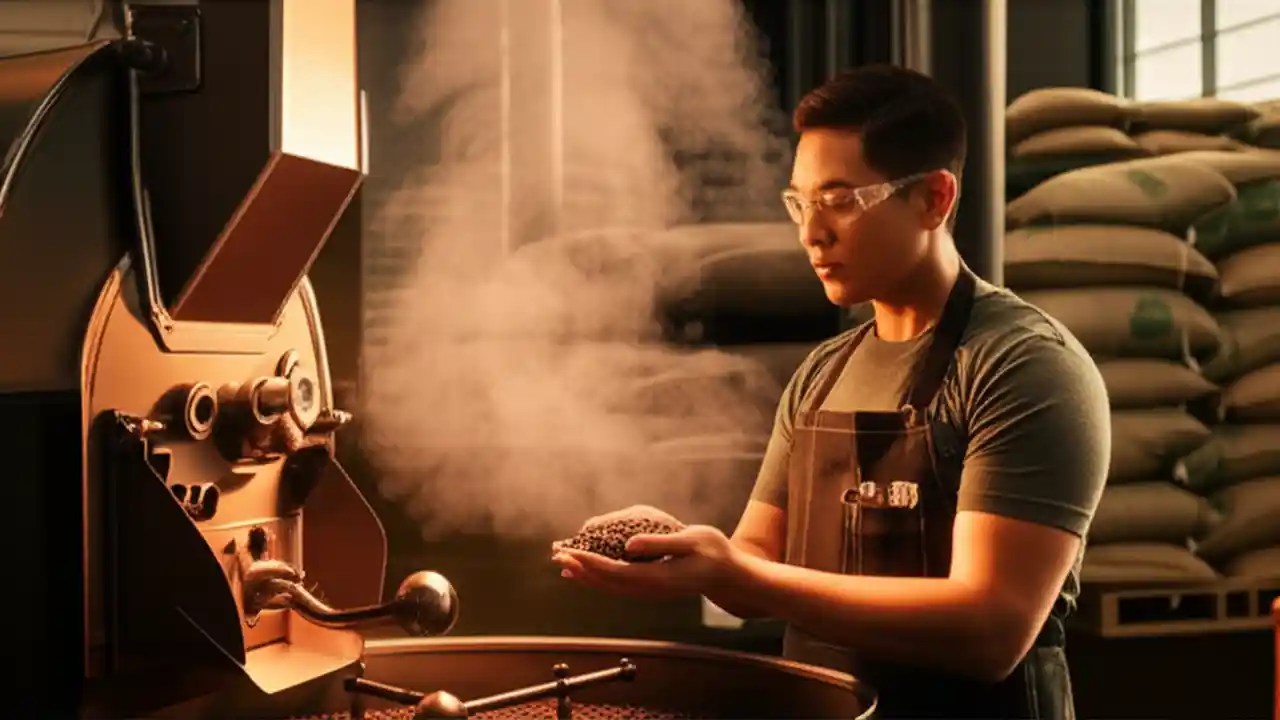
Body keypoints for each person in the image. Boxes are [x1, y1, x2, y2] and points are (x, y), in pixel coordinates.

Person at [552, 64, 1109, 720]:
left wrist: (736, 572)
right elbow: (757, 566)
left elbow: (990, 629)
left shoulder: (1022, 368)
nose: (811, 232)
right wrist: (685, 550)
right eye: (800, 202)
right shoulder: (821, 374)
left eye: (841, 200)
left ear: (934, 198)